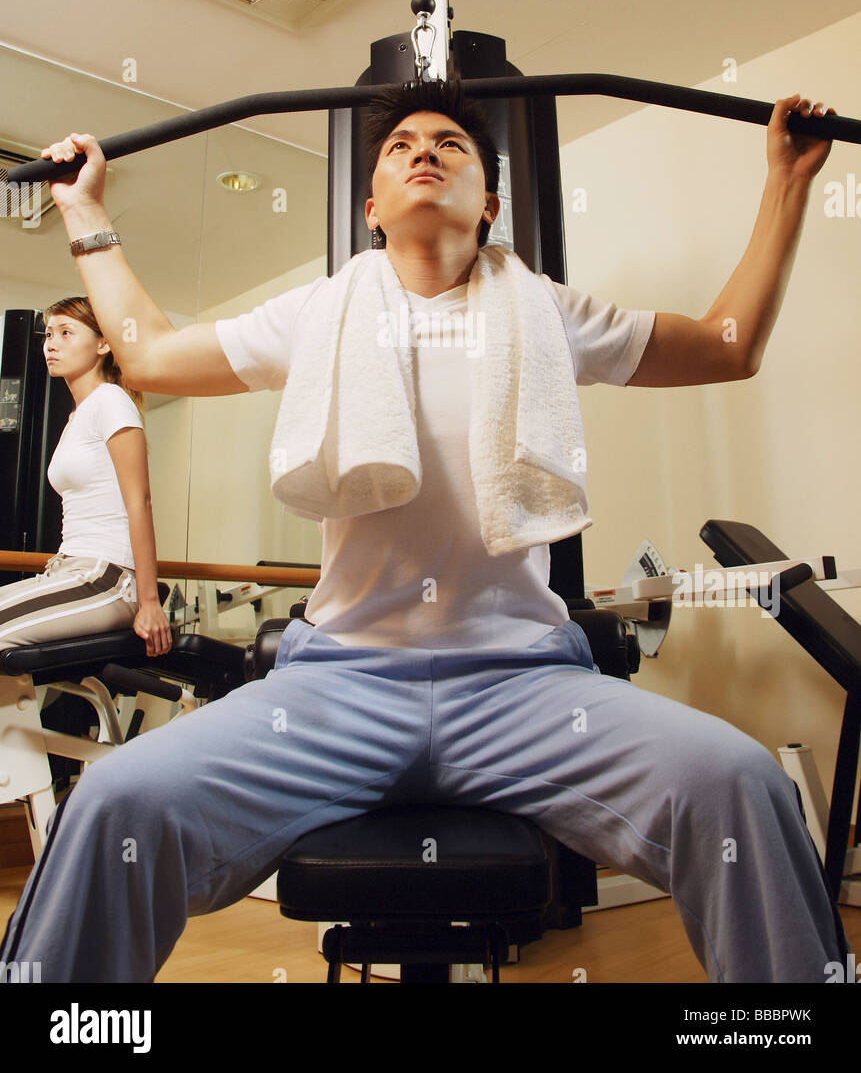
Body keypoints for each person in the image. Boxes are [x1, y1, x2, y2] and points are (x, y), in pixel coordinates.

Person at [0, 78, 849, 983]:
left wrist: (787, 182)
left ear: (488, 202)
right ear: (371, 207)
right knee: (115, 802)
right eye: (401, 143)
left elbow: (728, 345)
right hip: (338, 691)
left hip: (522, 689)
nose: (424, 148)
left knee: (741, 784)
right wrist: (84, 211)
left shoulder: (545, 313)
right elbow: (154, 353)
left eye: (450, 142)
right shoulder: (319, 315)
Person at [0, 296, 172, 659]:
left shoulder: (111, 400)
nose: (51, 343)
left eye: (66, 332)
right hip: (69, 568)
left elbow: (139, 501)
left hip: (106, 577)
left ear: (103, 344)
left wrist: (149, 601)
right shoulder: (77, 416)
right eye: (49, 334)